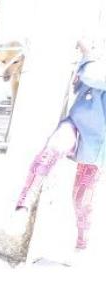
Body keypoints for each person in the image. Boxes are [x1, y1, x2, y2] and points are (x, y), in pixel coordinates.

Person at [16, 39, 106, 252]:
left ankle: (82, 240)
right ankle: (22, 205)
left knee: (82, 199)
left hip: (98, 142)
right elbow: (81, 79)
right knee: (53, 148)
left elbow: (93, 76)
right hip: (75, 124)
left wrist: (87, 54)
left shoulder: (95, 62)